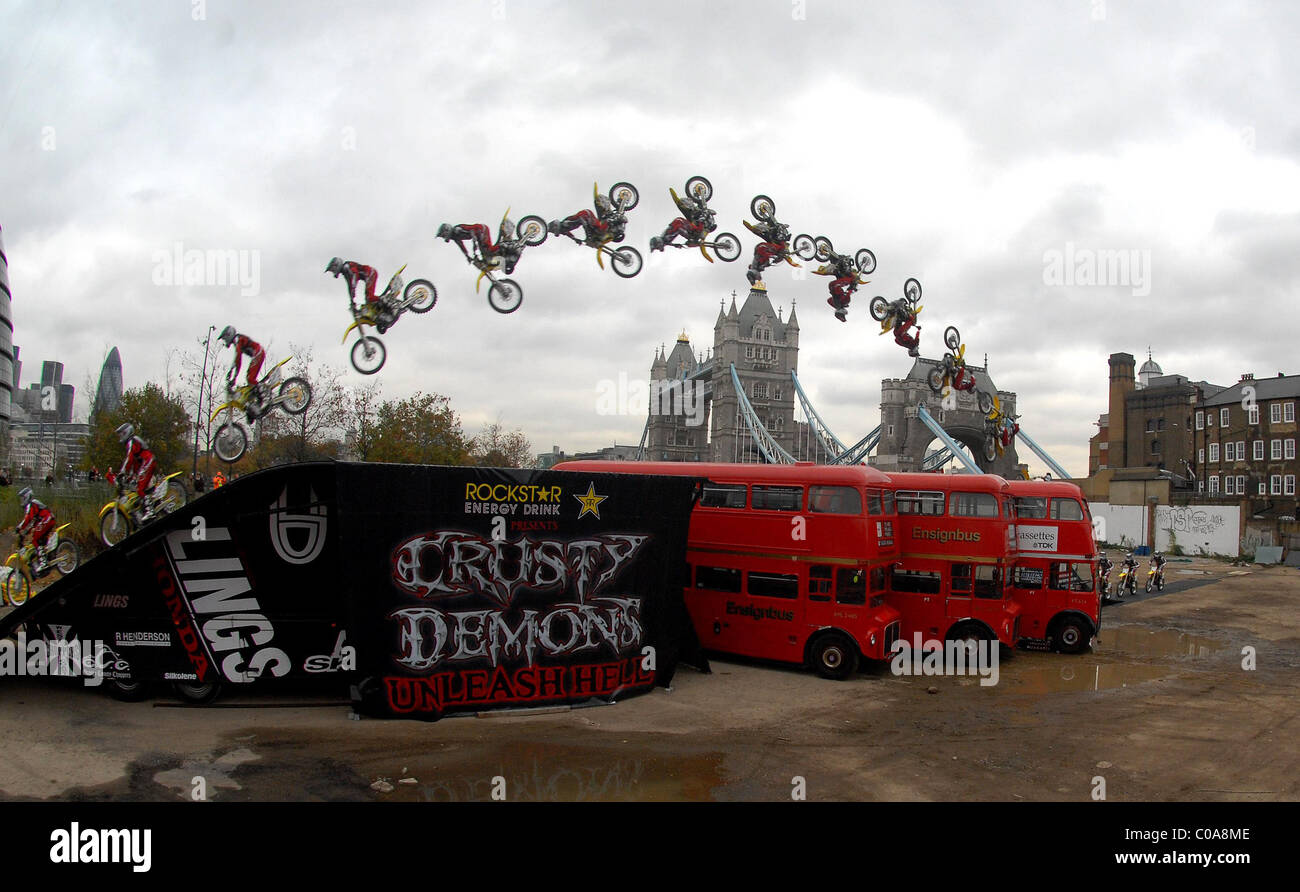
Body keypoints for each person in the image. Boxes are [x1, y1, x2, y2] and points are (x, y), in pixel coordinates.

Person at [548, 184, 629, 247]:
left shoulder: (565, 224)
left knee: (598, 224)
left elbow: (580, 220)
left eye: (555, 230)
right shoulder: (564, 229)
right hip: (590, 221)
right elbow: (570, 234)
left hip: (588, 217)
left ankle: (613, 220)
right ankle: (602, 232)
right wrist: (576, 240)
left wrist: (587, 235)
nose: (556, 232)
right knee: (598, 227)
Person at [217, 325, 267, 422]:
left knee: (250, 379)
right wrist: (232, 373)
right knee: (250, 383)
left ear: (228, 335)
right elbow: (237, 360)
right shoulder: (237, 341)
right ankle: (255, 407)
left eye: (224, 338)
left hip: (258, 352)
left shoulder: (237, 339)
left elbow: (238, 359)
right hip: (257, 354)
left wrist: (233, 376)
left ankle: (265, 397)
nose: (224, 341)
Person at [650, 186, 716, 252]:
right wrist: (677, 245)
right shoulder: (665, 240)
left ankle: (703, 217)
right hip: (683, 224)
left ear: (658, 243)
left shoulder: (666, 237)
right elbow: (672, 239)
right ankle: (702, 227)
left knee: (696, 232)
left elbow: (679, 230)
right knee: (692, 239)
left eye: (657, 247)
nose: (658, 249)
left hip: (682, 224)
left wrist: (688, 238)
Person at [15, 486, 56, 573]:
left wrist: (19, 527)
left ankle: (43, 563)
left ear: (27, 496)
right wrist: (25, 533)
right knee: (41, 540)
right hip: (48, 519)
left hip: (47, 519)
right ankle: (49, 557)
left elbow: (28, 518)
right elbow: (32, 523)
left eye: (23, 498)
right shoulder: (34, 504)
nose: (22, 501)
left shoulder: (31, 504)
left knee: (35, 539)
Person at [812, 250, 862, 322]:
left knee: (850, 279)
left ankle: (841, 264)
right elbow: (829, 300)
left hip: (836, 285)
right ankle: (833, 261)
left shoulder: (844, 302)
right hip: (832, 286)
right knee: (839, 273)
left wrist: (853, 288)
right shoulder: (836, 303)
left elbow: (848, 293)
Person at [743, 215, 794, 286]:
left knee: (778, 247)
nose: (759, 278)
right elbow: (765, 260)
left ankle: (778, 229)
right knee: (776, 248)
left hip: (763, 248)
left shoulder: (757, 265)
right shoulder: (756, 266)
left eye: (757, 277)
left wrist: (771, 259)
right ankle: (775, 230)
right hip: (762, 248)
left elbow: (764, 256)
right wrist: (771, 261)